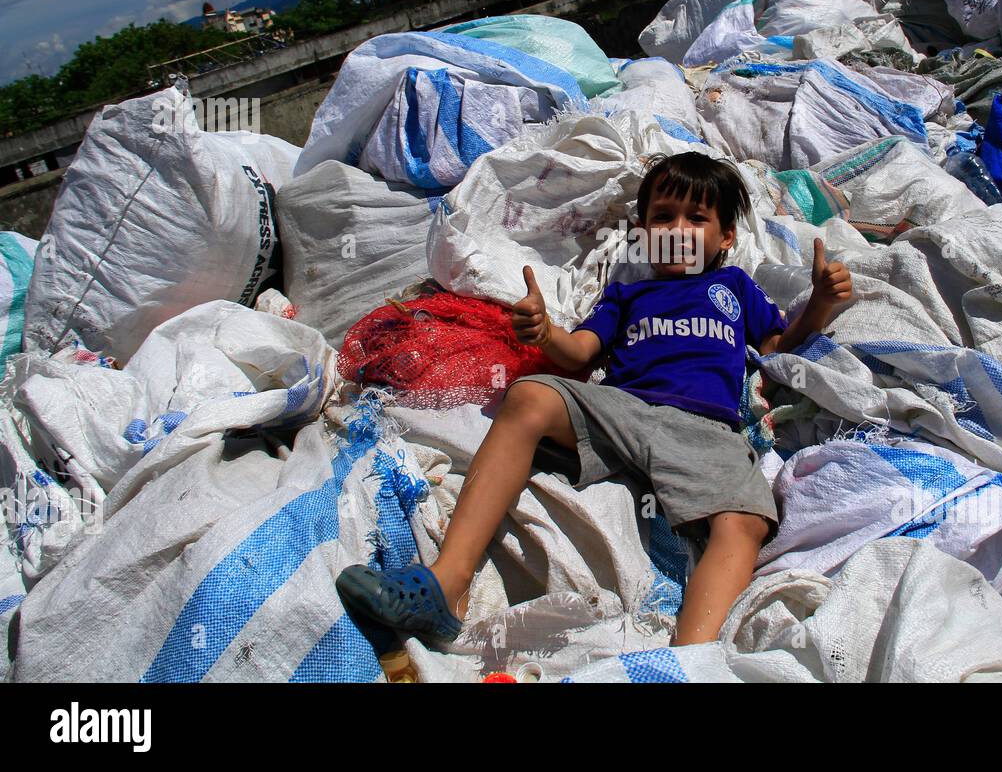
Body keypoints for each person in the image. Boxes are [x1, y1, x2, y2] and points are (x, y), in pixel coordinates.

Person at [336, 152, 852, 646]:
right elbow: (579, 349)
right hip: (622, 412)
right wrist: (542, 332)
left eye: (695, 219)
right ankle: (446, 586)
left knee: (744, 521)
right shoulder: (626, 293)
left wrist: (821, 304)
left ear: (726, 238)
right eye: (662, 217)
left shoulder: (734, 287)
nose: (676, 230)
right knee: (530, 396)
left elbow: (777, 346)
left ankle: (691, 660)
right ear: (643, 232)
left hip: (706, 430)